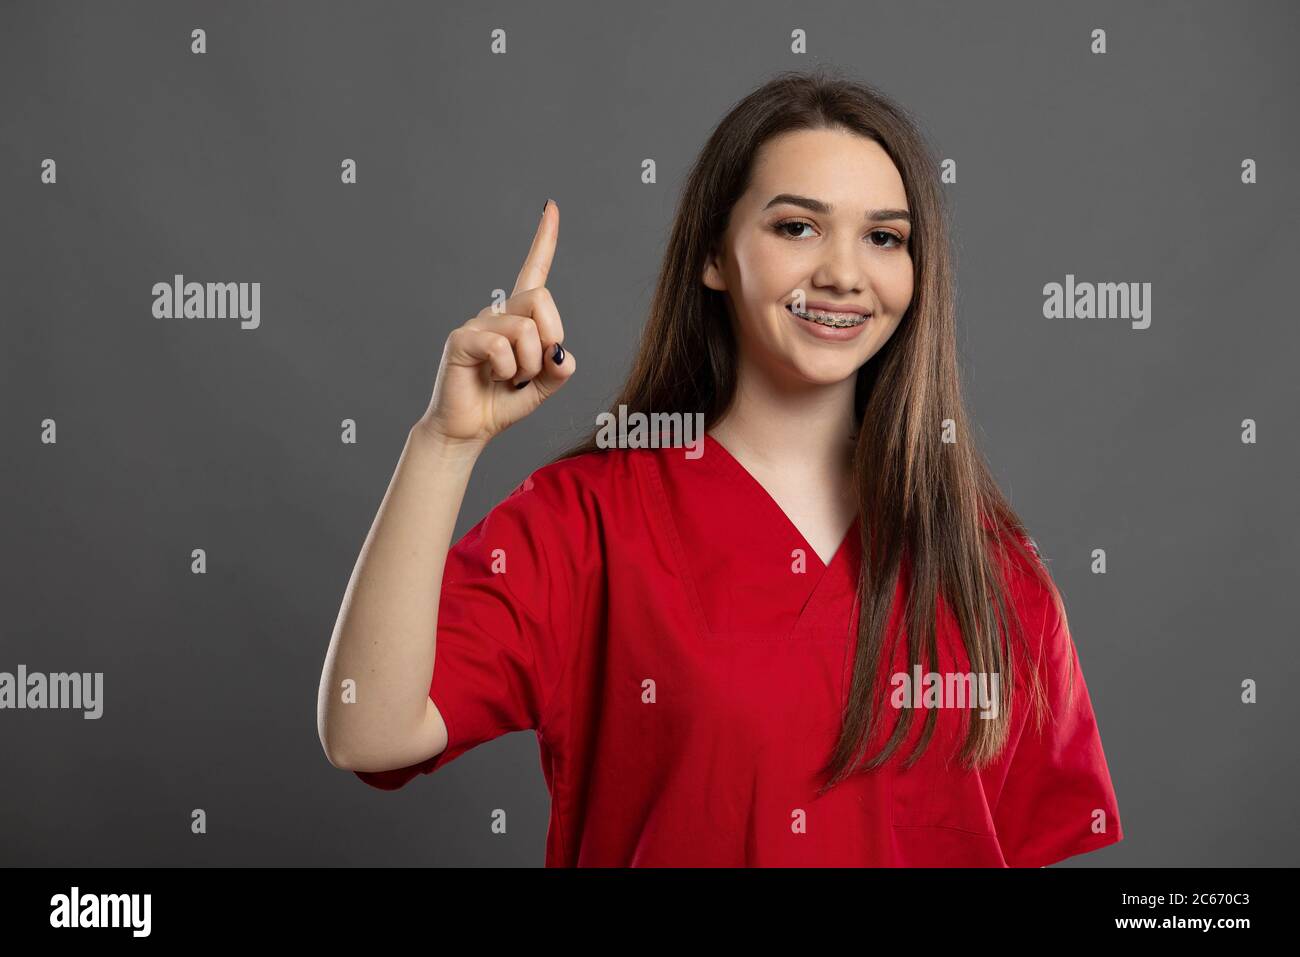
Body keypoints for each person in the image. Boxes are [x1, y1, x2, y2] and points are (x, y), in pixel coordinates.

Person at [316, 68, 1124, 867]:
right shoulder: (589, 519)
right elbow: (368, 730)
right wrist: (443, 442)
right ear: (713, 254)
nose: (844, 273)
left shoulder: (992, 569)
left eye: (884, 237)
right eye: (796, 227)